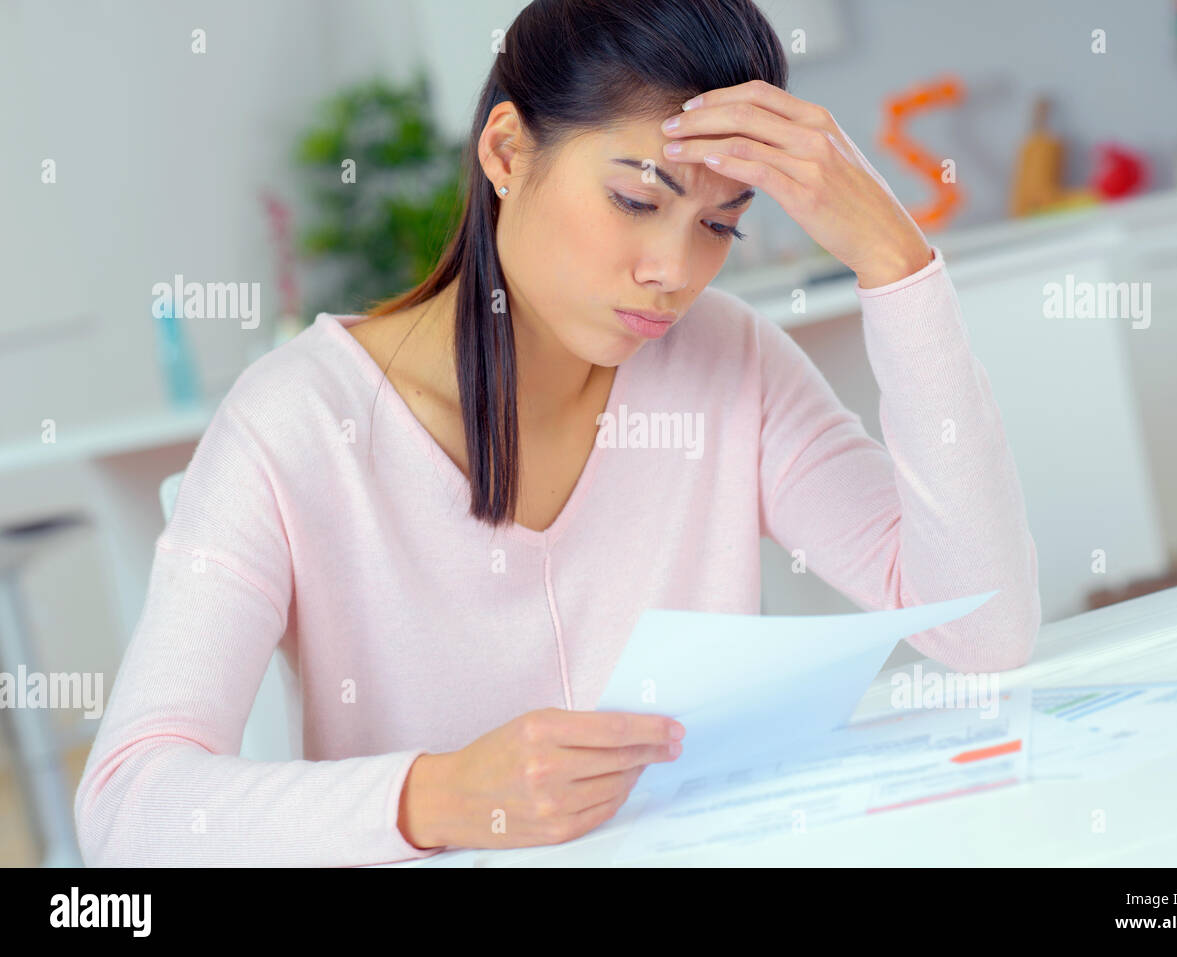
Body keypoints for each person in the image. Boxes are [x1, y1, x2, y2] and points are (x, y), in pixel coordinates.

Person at [75, 0, 1040, 867]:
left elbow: (982, 627)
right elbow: (129, 806)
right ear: (506, 152)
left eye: (720, 226)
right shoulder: (295, 423)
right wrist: (441, 796)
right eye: (636, 199)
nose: (674, 269)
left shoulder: (728, 360)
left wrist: (895, 261)